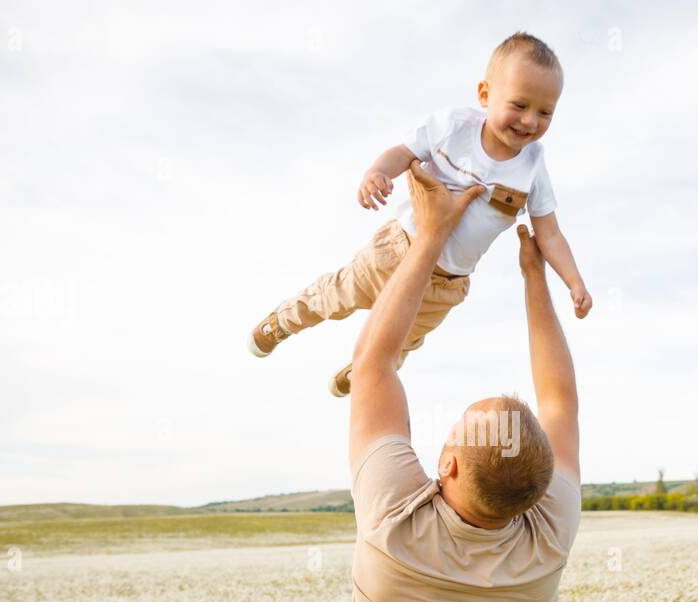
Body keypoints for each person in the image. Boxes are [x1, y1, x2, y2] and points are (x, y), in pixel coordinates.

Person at [340, 156, 582, 602]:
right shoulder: (550, 534)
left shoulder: (393, 523)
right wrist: (536, 278)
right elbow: (561, 400)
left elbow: (373, 365)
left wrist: (429, 238)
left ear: (445, 464)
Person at [249, 30, 591, 397]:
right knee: (338, 295)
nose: (529, 121)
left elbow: (550, 234)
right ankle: (283, 321)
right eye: (519, 105)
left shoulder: (533, 168)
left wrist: (574, 281)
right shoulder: (453, 127)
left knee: (407, 339)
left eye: (545, 112)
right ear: (485, 95)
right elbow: (403, 152)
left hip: (448, 283)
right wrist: (377, 172)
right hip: (398, 250)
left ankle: (360, 371)